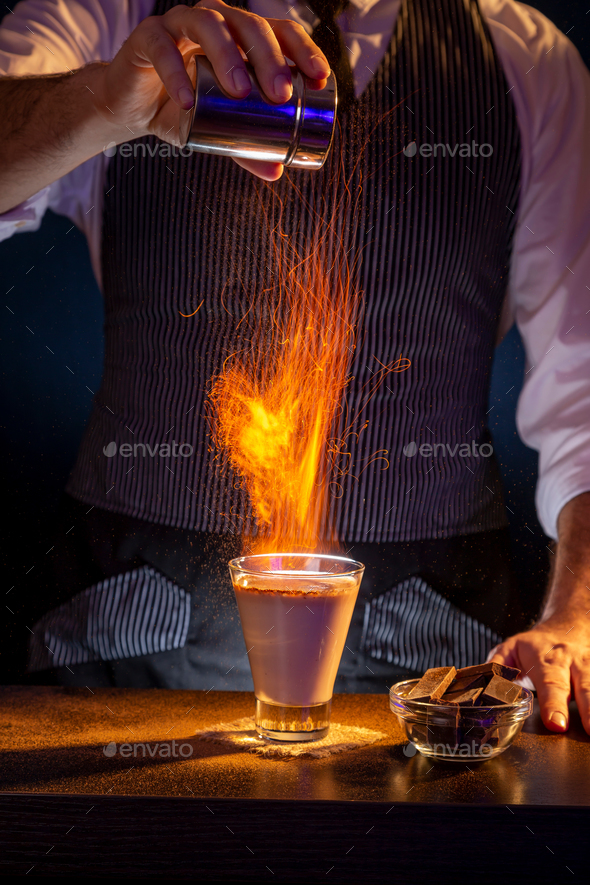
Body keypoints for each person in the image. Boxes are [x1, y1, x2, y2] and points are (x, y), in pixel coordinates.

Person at [1, 0, 589, 736]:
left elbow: (586, 393)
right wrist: (99, 104)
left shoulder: (523, 57)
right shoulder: (105, 17)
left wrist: (579, 611)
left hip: (437, 674)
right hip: (124, 659)